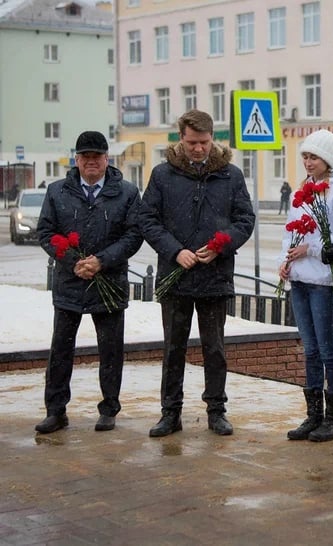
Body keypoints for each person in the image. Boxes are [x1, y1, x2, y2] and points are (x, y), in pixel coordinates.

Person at [140, 109, 255, 437]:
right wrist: (175, 251)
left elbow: (245, 220)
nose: (198, 149)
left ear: (213, 139)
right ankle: (170, 412)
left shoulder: (230, 176)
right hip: (176, 277)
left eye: (204, 142)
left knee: (214, 348)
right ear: (181, 139)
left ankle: (216, 411)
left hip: (214, 276)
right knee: (173, 347)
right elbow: (147, 219)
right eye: (192, 142)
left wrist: (222, 245)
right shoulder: (163, 175)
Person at [34, 130, 143, 434]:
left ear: (107, 159)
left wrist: (102, 261)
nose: (92, 162)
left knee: (110, 351)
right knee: (60, 351)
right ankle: (56, 411)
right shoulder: (57, 191)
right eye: (86, 157)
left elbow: (134, 235)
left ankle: (109, 408)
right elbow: (45, 233)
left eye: (98, 156)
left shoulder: (127, 192)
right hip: (70, 284)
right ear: (77, 159)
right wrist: (74, 262)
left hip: (109, 285)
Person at [280, 129, 333, 443]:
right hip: (300, 279)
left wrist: (309, 251)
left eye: (314, 157)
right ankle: (313, 415)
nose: (308, 163)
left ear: (328, 159)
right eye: (305, 157)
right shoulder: (303, 191)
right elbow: (290, 230)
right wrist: (285, 259)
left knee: (327, 350)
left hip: (324, 281)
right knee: (309, 350)